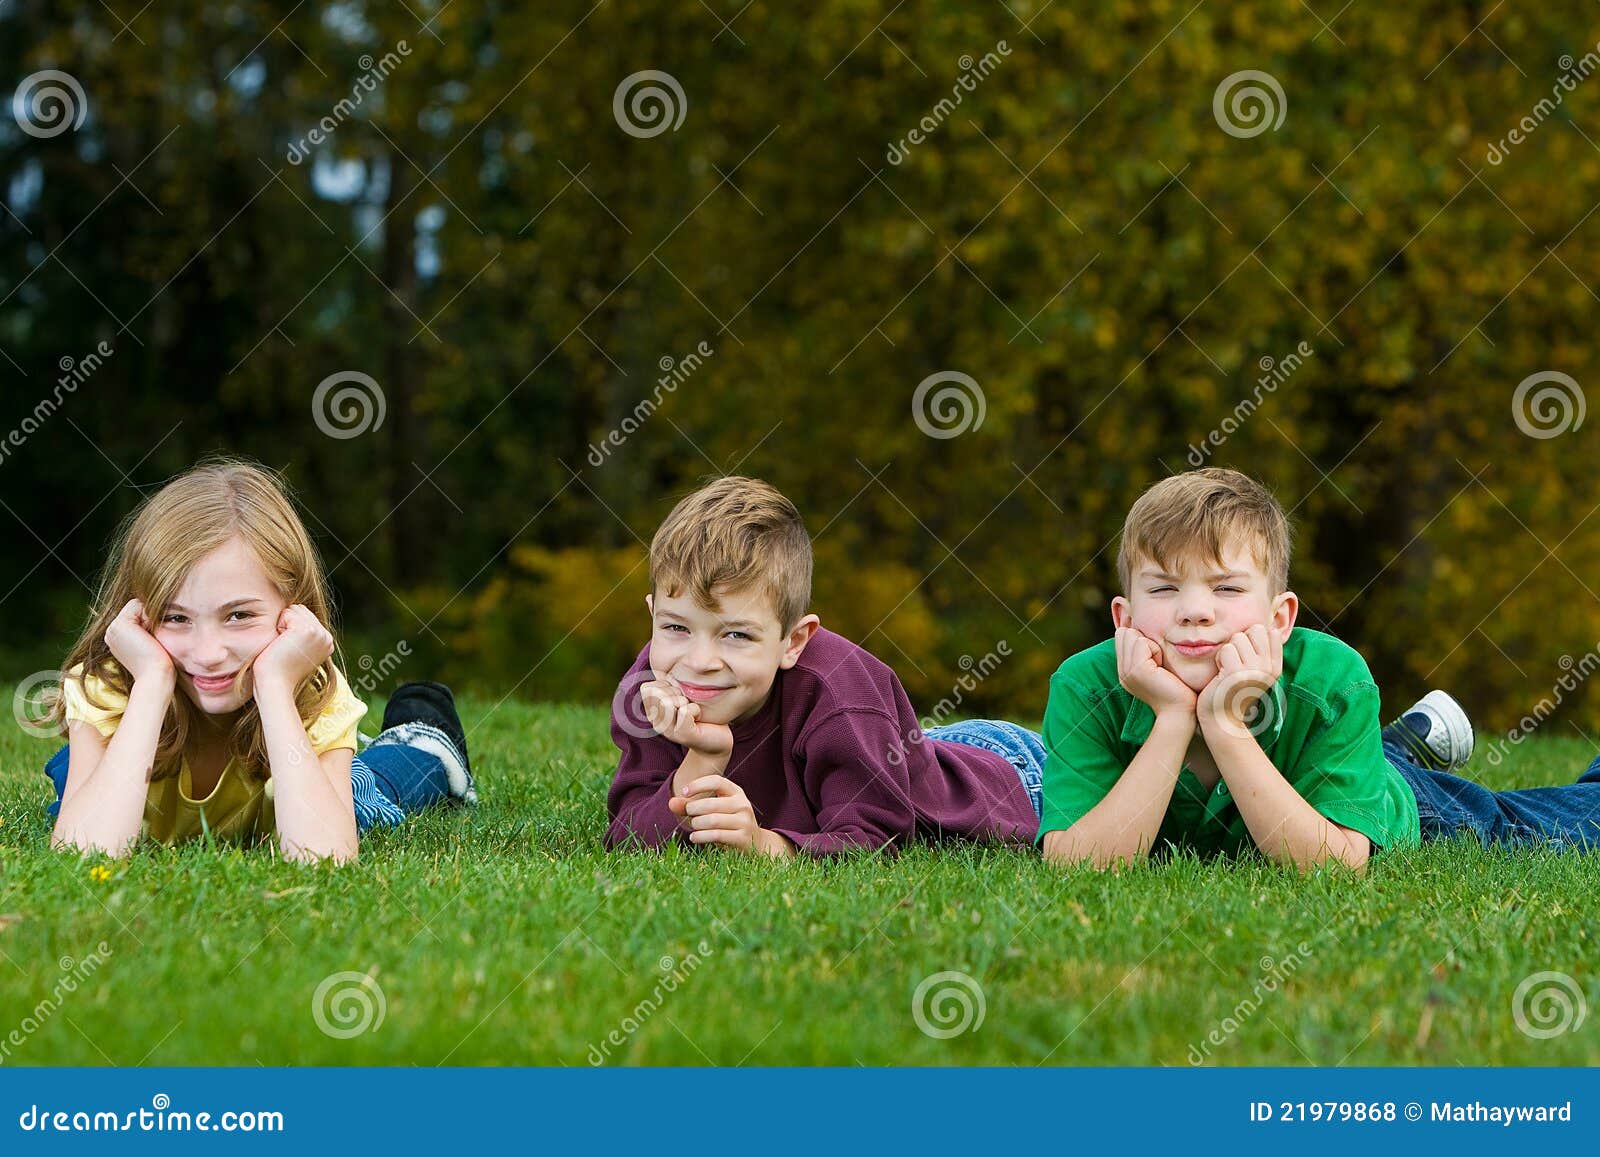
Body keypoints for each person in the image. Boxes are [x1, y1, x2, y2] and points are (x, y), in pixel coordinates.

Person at [45, 457, 476, 863]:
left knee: (371, 791)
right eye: (176, 617)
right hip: (141, 759)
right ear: (139, 616)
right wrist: (153, 682)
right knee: (77, 775)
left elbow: (324, 858)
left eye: (239, 615)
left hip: (299, 786)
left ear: (293, 611)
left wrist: (273, 685)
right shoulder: (112, 687)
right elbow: (84, 854)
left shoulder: (304, 688)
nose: (209, 654)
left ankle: (425, 736)